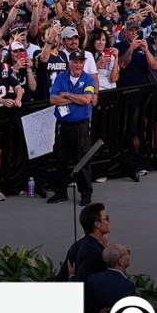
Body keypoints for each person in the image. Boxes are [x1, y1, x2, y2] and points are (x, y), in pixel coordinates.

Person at [47, 49, 96, 205]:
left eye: (81, 62)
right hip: (63, 125)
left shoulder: (88, 80)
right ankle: (60, 192)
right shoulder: (61, 77)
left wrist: (67, 95)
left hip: (80, 126)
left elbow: (87, 99)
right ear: (70, 63)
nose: (78, 65)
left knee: (83, 160)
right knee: (60, 160)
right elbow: (53, 99)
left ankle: (86, 194)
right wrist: (77, 98)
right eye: (75, 62)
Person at [57, 202, 110, 282]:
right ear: (97, 224)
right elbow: (84, 284)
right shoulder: (93, 252)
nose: (109, 222)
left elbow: (61, 277)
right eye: (107, 218)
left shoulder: (77, 245)